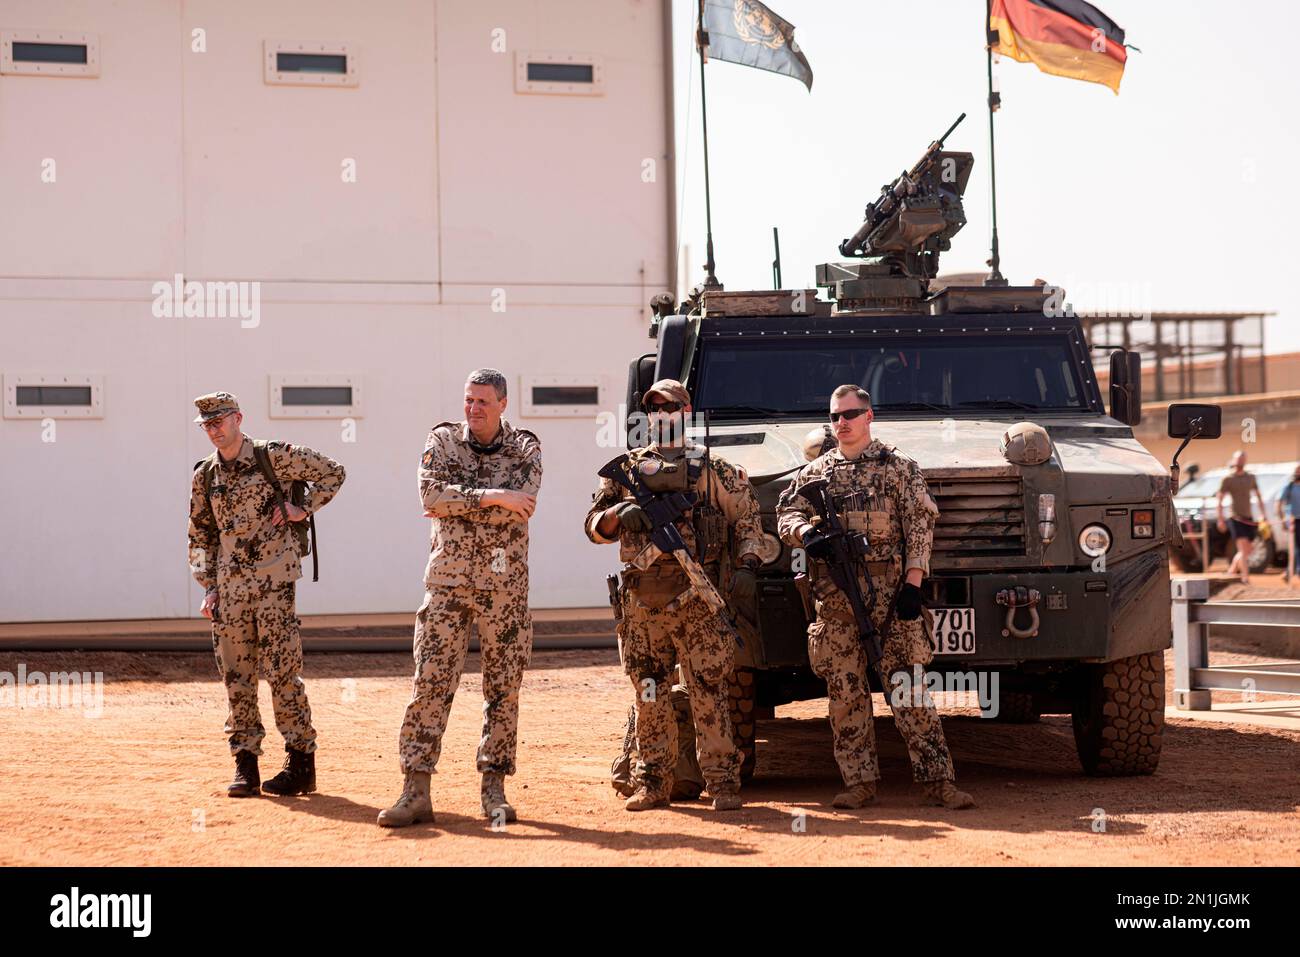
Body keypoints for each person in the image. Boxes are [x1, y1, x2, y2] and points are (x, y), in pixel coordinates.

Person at [775, 384, 974, 810]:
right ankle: (859, 783)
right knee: (846, 697)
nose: (841, 423)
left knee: (910, 695)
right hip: (838, 600)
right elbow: (785, 512)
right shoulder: (816, 473)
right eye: (834, 417)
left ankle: (939, 782)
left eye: (850, 414)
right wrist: (807, 533)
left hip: (891, 596)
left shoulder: (898, 468)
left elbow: (920, 526)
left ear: (870, 416)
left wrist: (914, 585)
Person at [587, 379, 764, 812]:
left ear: (686, 413)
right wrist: (616, 514)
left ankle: (722, 784)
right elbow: (593, 527)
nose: (662, 414)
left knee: (709, 691)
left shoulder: (714, 470)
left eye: (671, 407)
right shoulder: (627, 470)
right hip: (644, 604)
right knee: (650, 694)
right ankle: (653, 784)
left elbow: (747, 522)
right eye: (655, 408)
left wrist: (747, 565)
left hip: (700, 603)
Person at [379, 369, 542, 828]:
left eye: (483, 402)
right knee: (429, 684)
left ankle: (494, 789)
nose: (473, 409)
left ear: (503, 404)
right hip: (446, 585)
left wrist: (469, 501)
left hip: (504, 589)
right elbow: (430, 494)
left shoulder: (526, 447)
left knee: (503, 690)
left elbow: (525, 500)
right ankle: (415, 790)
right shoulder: (443, 440)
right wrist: (495, 497)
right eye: (469, 400)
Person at [187, 391, 346, 798]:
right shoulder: (205, 475)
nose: (214, 430)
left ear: (238, 418)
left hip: (274, 584)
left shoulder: (272, 456)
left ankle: (300, 764)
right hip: (231, 590)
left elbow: (333, 471)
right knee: (236, 677)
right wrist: (208, 587)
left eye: (220, 421)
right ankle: (246, 766)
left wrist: (303, 508)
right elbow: (200, 534)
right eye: (207, 425)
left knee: (282, 673)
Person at [1216, 451, 1267, 585]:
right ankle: (1245, 578)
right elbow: (1219, 499)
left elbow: (1259, 496)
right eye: (1238, 460)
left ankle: (1231, 571)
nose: (1239, 462)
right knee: (1243, 549)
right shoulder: (1228, 479)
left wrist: (1263, 515)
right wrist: (1220, 518)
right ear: (1233, 461)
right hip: (1235, 518)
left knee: (1249, 550)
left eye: (1242, 459)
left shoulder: (1251, 477)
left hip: (1248, 518)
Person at [1276, 464, 1300, 586]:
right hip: (1293, 521)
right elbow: (1279, 502)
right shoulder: (1289, 487)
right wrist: (1282, 519)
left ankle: (1289, 572)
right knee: (1295, 547)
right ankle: (1293, 572)